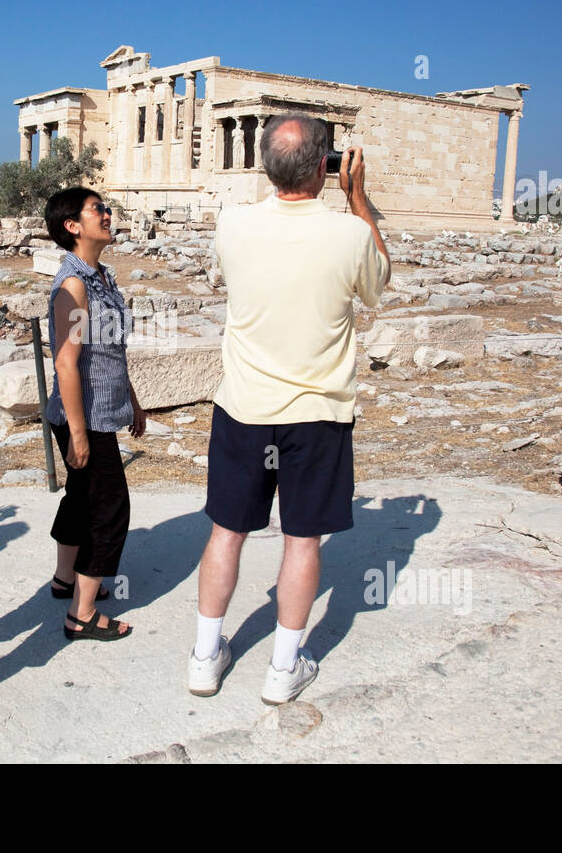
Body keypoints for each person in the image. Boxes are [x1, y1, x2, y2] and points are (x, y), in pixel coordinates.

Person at [188, 115, 389, 704]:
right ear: (325, 167)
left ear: (263, 165)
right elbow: (377, 289)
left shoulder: (232, 224)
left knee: (227, 533)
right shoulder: (351, 235)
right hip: (318, 412)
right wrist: (358, 199)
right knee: (303, 541)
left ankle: (204, 659)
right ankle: (282, 669)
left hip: (245, 407)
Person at [42, 187, 146, 642]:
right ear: (72, 226)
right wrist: (78, 434)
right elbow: (66, 361)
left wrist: (133, 399)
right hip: (84, 416)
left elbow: (108, 351)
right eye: (97, 210)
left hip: (101, 408)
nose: (107, 214)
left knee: (81, 499)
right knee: (109, 509)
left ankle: (66, 579)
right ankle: (81, 614)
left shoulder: (101, 276)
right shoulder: (74, 284)